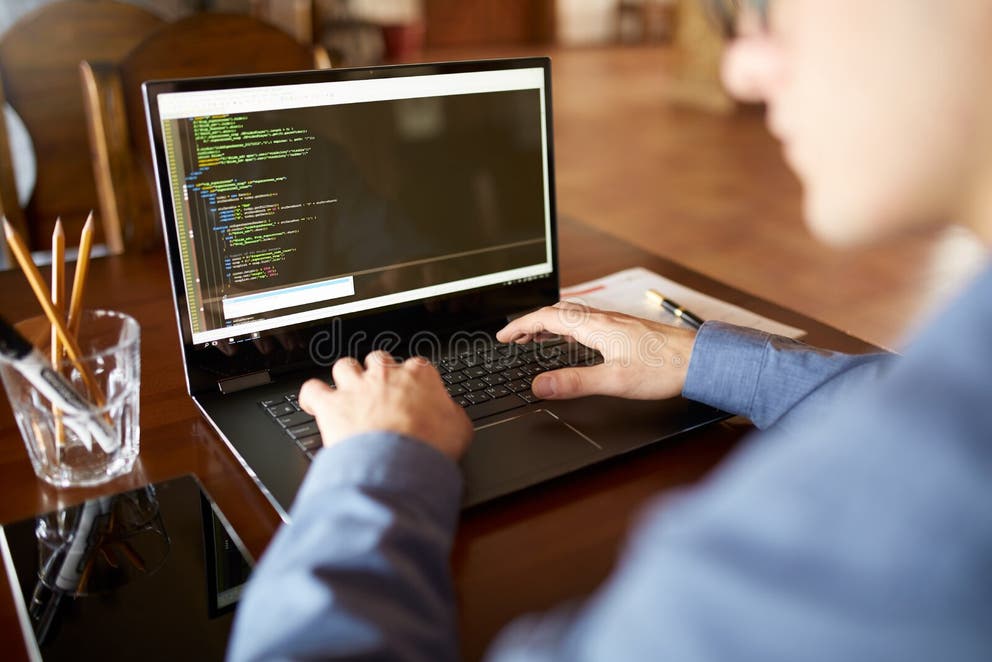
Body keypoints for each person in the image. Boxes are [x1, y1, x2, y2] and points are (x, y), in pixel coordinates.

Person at [227, 1, 992, 659]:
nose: (740, 72)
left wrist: (377, 465)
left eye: (769, 5)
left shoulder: (814, 556)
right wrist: (703, 359)